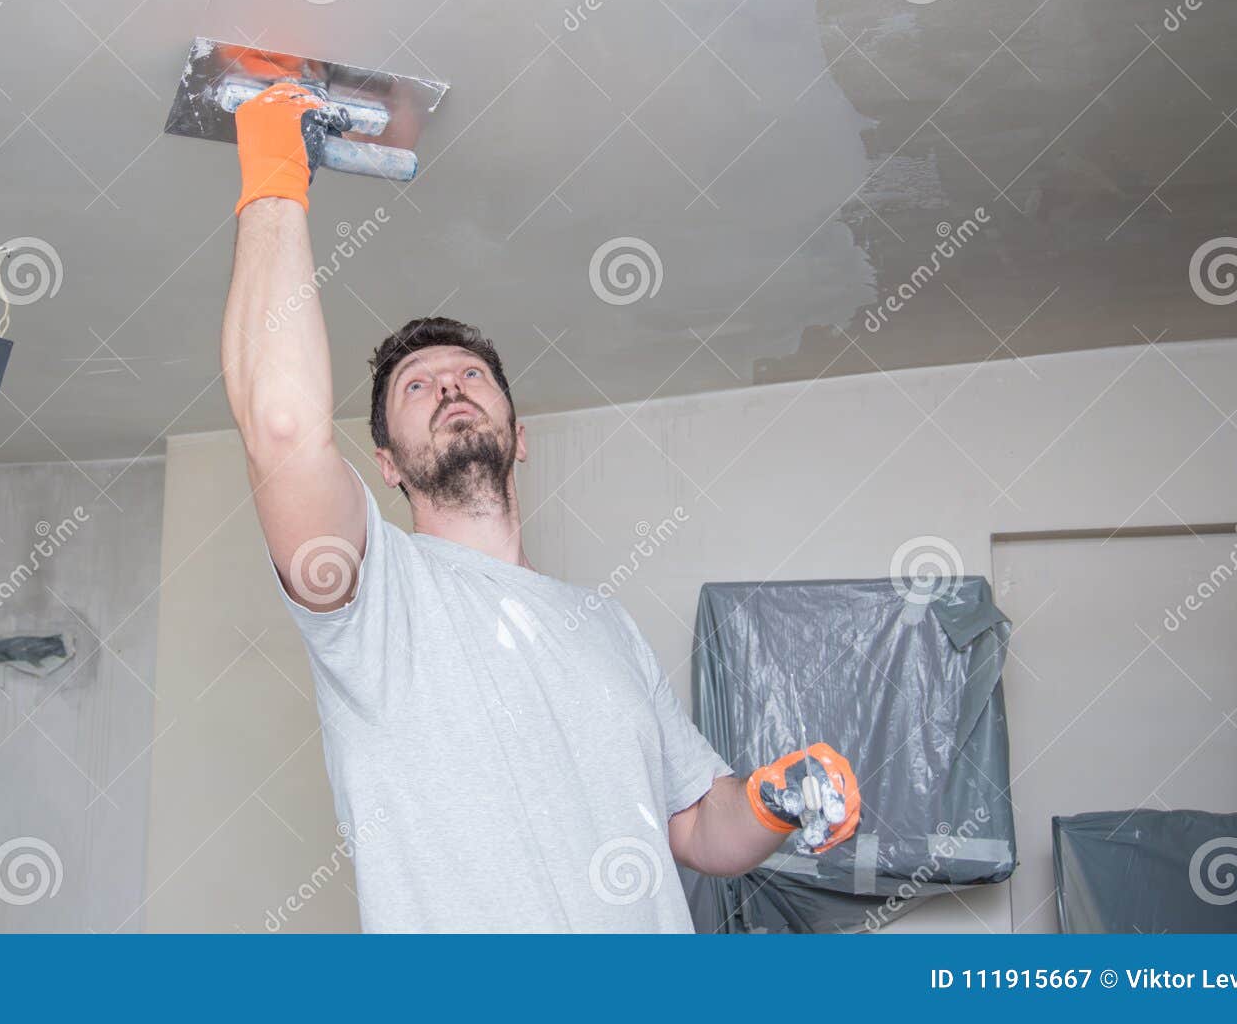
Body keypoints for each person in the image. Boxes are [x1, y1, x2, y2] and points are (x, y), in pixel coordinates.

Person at [219, 82, 860, 932]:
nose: (449, 383)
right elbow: (283, 429)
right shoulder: (372, 595)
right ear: (386, 465)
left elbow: (701, 827)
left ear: (519, 436)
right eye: (418, 385)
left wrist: (775, 801)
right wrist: (273, 167)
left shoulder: (605, 628)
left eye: (472, 376)